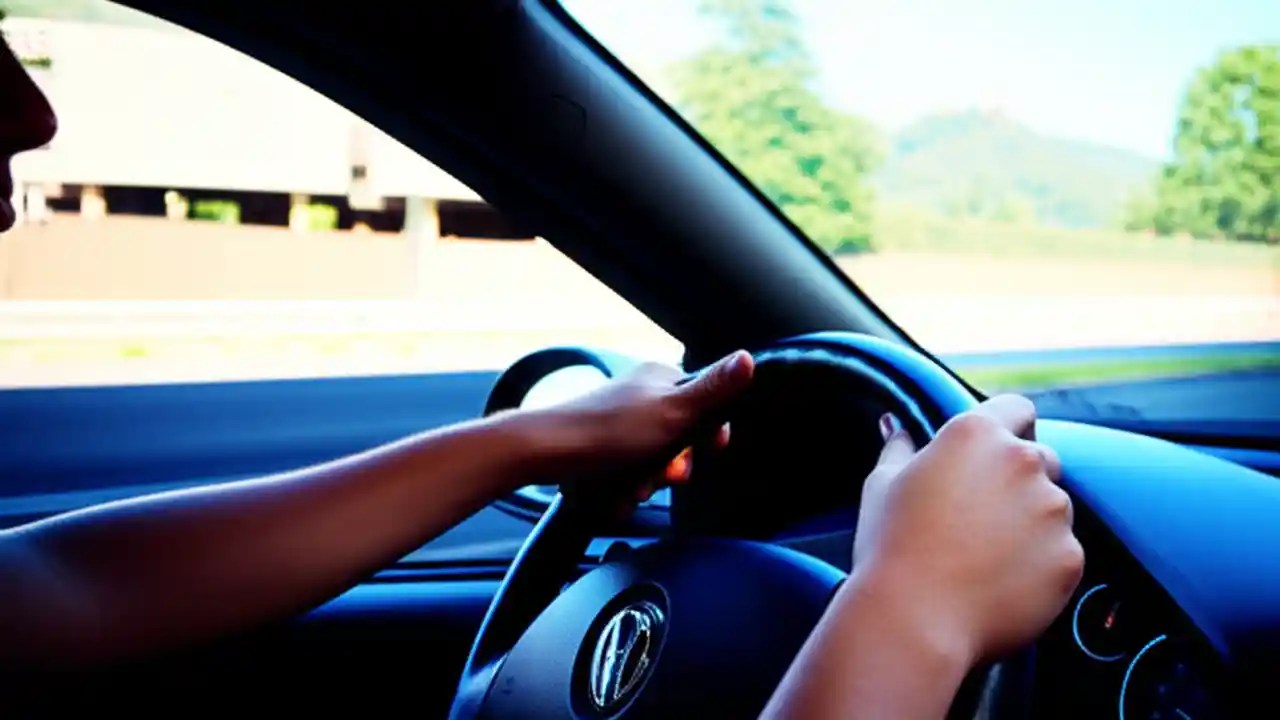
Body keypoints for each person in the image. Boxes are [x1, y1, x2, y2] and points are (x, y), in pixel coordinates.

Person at [0, 32, 1081, 716]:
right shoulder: (909, 607)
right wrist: (912, 609)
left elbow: (68, 588)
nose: (32, 112)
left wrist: (539, 439)